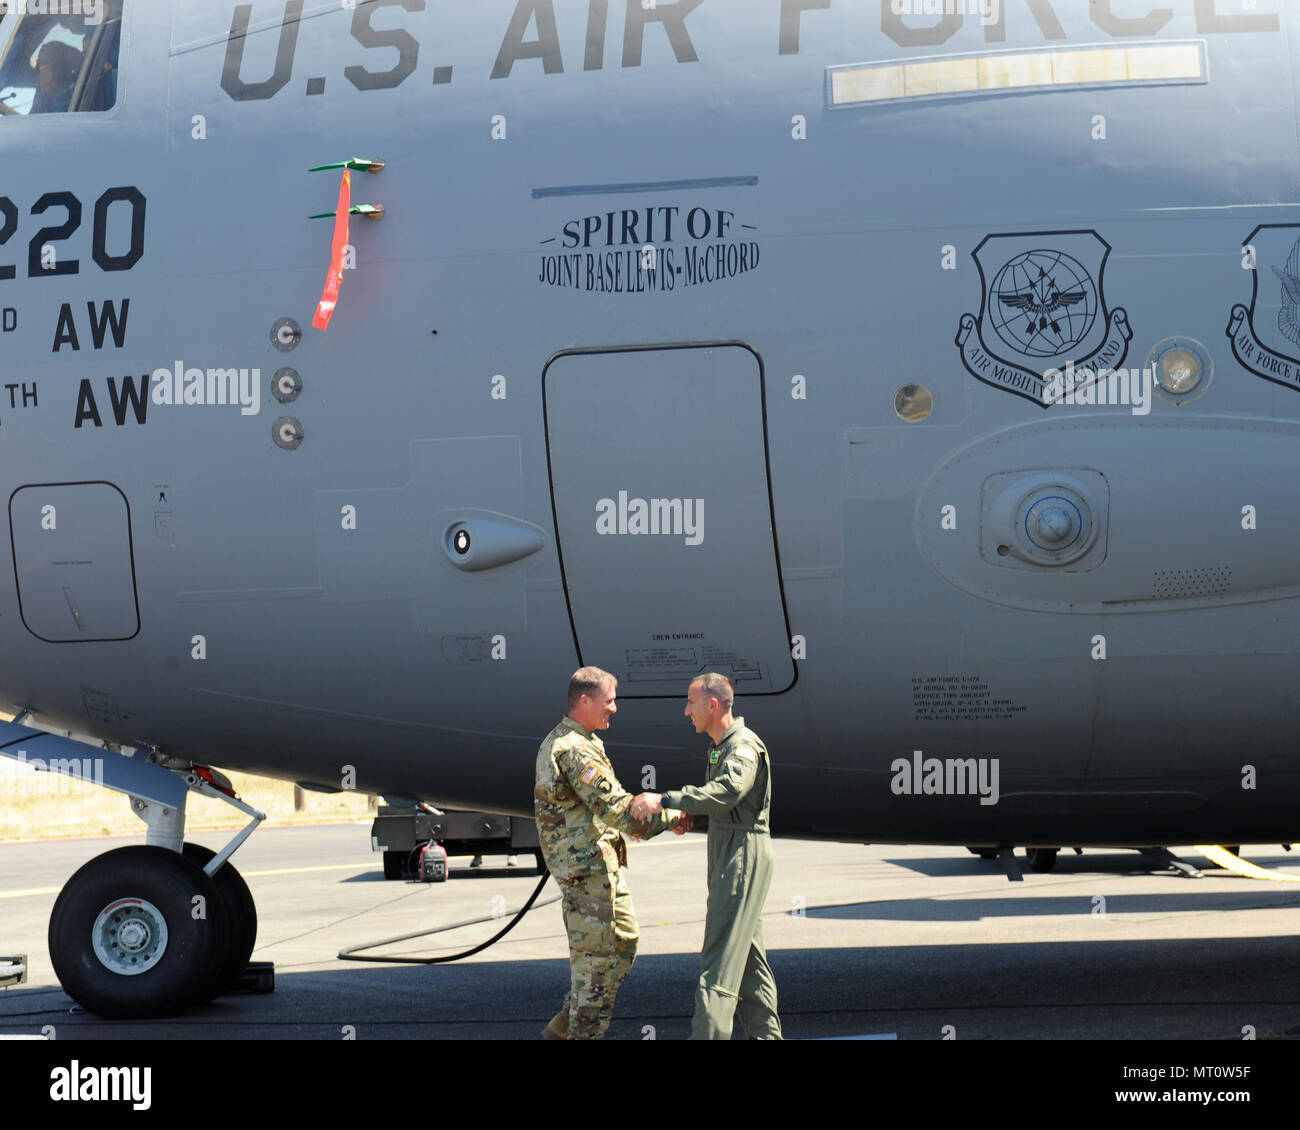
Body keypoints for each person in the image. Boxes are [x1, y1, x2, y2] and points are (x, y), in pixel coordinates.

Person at [534, 665, 690, 1040]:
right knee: (597, 971)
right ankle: (577, 1033)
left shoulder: (580, 741)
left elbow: (594, 811)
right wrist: (676, 814)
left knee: (622, 944)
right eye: (609, 701)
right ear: (584, 701)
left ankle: (559, 1032)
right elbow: (620, 810)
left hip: (595, 867)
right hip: (587, 875)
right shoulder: (574, 751)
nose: (615, 709)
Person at [631, 673, 781, 1040]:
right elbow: (726, 801)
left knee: (717, 965)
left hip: (740, 857)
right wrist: (693, 816)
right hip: (731, 851)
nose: (686, 711)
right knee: (747, 962)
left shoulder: (743, 746)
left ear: (712, 706)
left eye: (691, 702)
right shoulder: (720, 746)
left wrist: (666, 799)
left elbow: (729, 790)